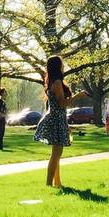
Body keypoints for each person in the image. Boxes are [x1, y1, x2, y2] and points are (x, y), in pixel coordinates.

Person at [33, 54, 72, 187]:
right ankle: (49, 183)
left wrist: (66, 124)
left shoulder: (53, 81)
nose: (63, 66)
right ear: (58, 66)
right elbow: (62, 103)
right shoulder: (57, 83)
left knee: (57, 153)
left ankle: (57, 182)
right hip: (55, 119)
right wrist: (79, 96)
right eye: (61, 64)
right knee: (56, 153)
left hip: (58, 118)